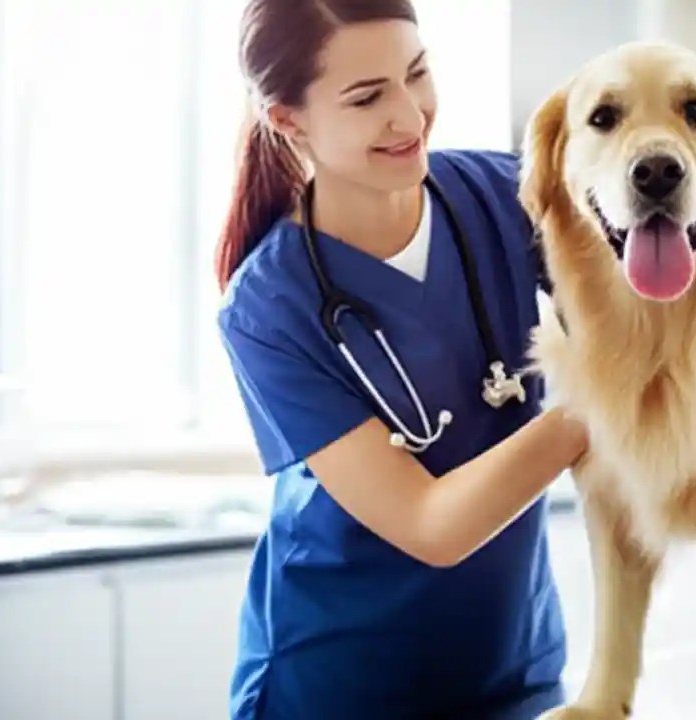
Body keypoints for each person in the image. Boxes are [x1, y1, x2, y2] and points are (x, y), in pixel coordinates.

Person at [212, 2, 587, 718]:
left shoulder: (504, 198)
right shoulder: (268, 309)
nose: (410, 116)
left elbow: (652, 303)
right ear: (288, 119)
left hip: (513, 675)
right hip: (340, 688)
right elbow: (430, 525)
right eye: (367, 97)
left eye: (416, 74)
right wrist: (595, 402)